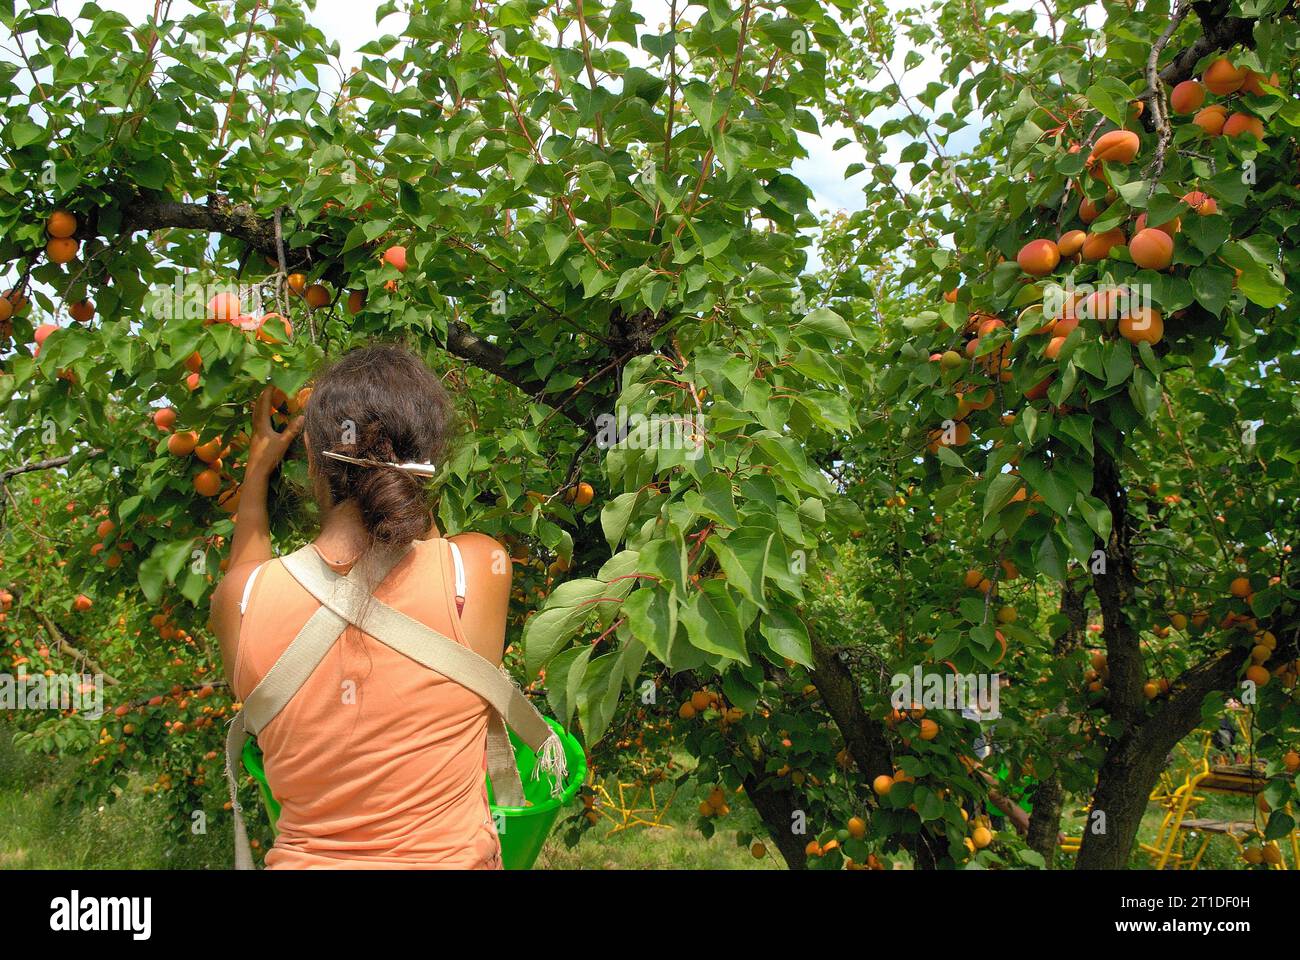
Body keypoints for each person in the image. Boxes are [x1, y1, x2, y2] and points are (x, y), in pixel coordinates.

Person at [209, 344, 513, 868]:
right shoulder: (477, 571)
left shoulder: (242, 599)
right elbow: (423, 539)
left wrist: (257, 471)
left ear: (311, 461)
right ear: (430, 460)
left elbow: (246, 572)